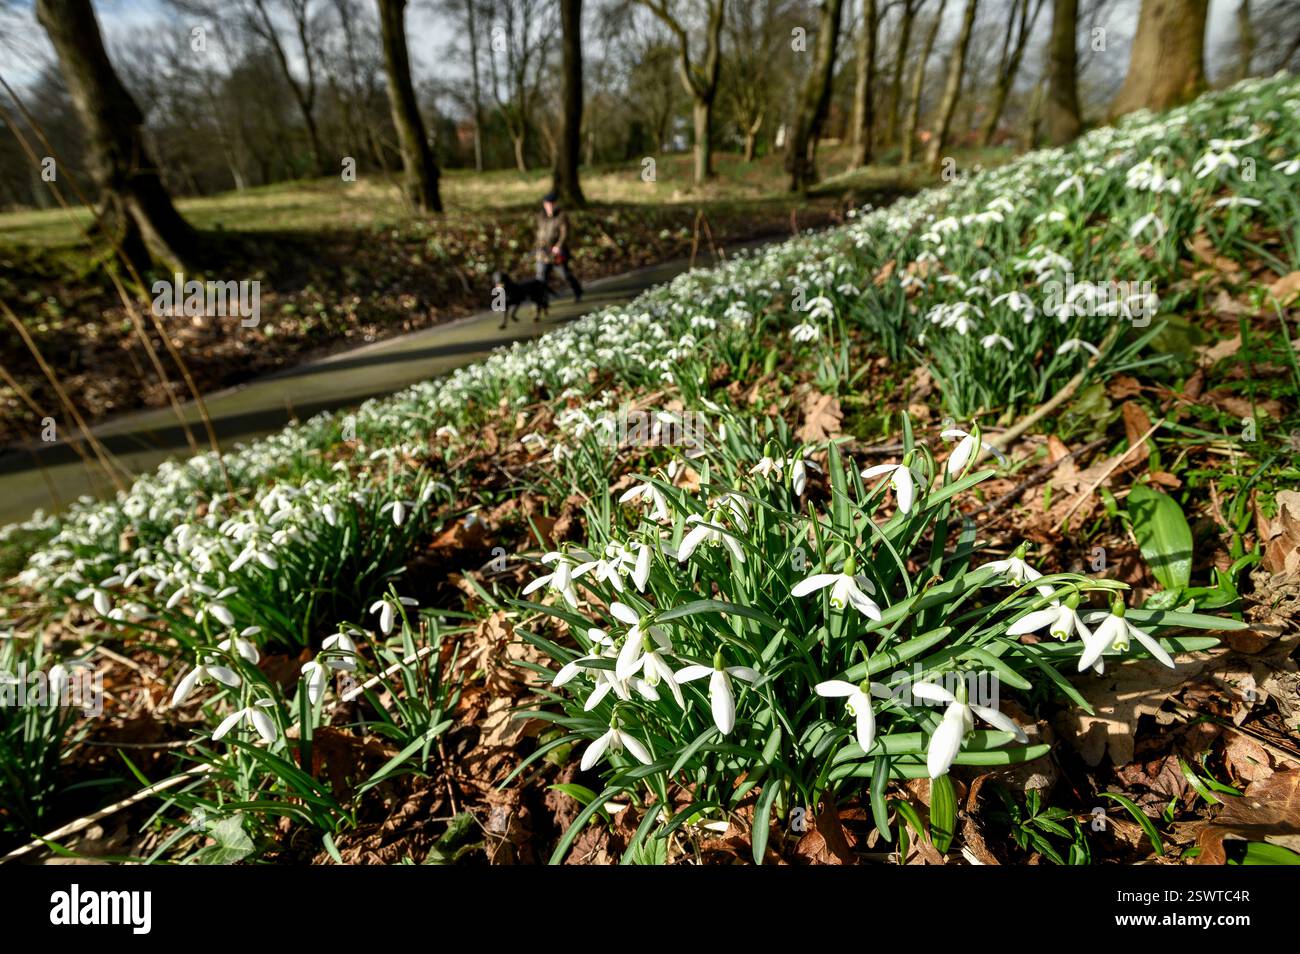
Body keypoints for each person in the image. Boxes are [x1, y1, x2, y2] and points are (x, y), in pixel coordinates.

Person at [535, 191, 582, 302]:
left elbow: (564, 233)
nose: (549, 207)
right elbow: (539, 232)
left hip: (556, 253)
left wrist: (558, 246)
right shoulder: (541, 216)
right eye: (547, 204)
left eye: (551, 204)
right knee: (540, 278)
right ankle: (542, 301)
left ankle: (578, 291)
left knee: (565, 275)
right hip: (542, 253)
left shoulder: (561, 216)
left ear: (555, 204)